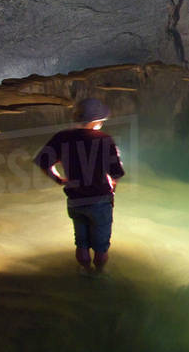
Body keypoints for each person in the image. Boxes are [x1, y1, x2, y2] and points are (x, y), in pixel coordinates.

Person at [35, 97, 124, 275]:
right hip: (100, 200)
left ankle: (84, 269)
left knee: (81, 242)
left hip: (75, 200)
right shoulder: (105, 139)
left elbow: (43, 162)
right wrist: (112, 190)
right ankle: (99, 273)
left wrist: (59, 180)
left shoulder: (62, 137)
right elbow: (116, 173)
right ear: (97, 120)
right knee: (100, 246)